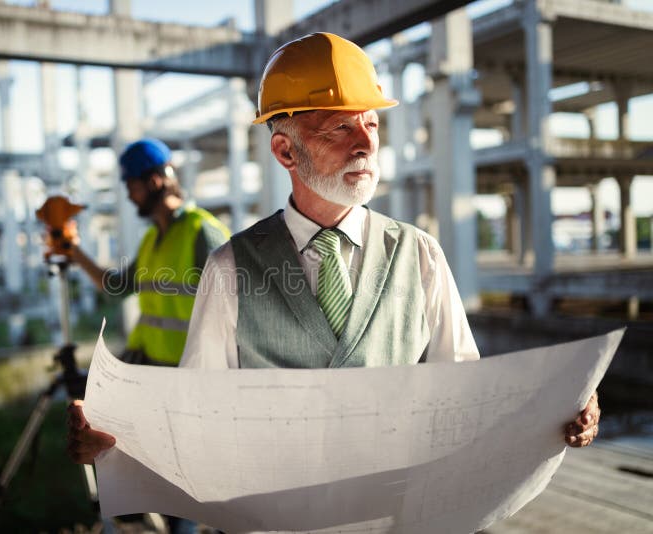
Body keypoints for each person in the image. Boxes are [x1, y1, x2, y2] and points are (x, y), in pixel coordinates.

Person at [66, 30, 600, 508]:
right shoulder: (230, 267)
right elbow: (197, 422)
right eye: (339, 129)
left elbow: (466, 400)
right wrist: (116, 444)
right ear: (285, 151)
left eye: (371, 124)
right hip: (274, 520)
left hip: (398, 516)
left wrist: (554, 411)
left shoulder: (421, 256)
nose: (366, 144)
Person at [60, 137, 230, 533]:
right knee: (165, 492)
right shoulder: (153, 239)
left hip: (191, 389)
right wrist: (74, 252)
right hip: (154, 384)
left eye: (131, 184)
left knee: (187, 495)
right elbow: (116, 286)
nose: (128, 193)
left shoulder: (202, 232)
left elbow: (237, 311)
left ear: (154, 181)